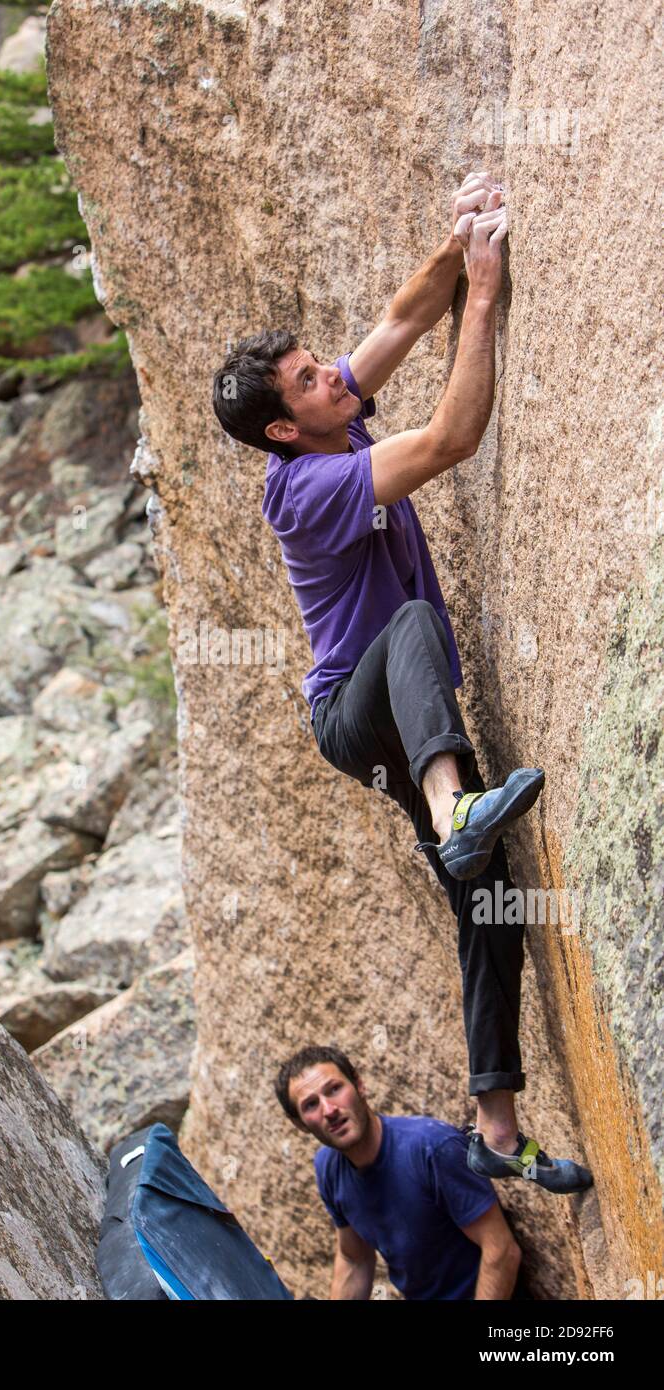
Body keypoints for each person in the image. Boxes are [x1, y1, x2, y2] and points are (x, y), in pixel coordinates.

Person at [213, 170, 592, 1193]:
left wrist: (458, 234)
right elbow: (448, 439)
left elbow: (397, 316)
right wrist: (482, 298)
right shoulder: (309, 486)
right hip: (351, 715)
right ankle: (451, 801)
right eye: (308, 382)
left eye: (314, 367)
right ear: (284, 428)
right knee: (414, 618)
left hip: (394, 706)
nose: (331, 378)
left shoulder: (325, 414)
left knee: (490, 900)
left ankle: (495, 1125)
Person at [276, 1045, 532, 1301]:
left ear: (359, 1085)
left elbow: (501, 1251)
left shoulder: (432, 1147)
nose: (329, 1110)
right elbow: (354, 1259)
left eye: (334, 1089)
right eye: (311, 1105)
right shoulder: (329, 1168)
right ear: (299, 1124)